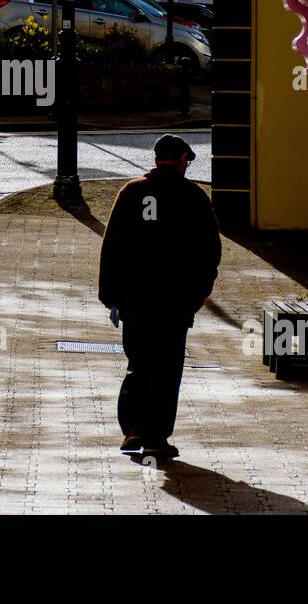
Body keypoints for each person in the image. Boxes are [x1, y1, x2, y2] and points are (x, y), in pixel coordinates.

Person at [98, 134, 222, 459]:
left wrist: (110, 295)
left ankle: (133, 429)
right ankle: (157, 436)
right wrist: (197, 295)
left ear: (155, 159)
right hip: (175, 302)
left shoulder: (132, 193)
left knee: (138, 363)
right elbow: (210, 253)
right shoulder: (194, 197)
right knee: (167, 369)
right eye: (187, 160)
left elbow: (113, 246)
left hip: (136, 300)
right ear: (181, 160)